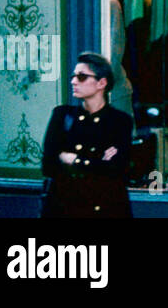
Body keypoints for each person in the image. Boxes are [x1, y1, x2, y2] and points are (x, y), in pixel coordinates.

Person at [41, 53, 134, 218]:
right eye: (74, 76)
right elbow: (48, 165)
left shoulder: (119, 122)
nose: (74, 81)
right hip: (65, 209)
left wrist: (74, 160)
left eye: (82, 77)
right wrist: (98, 162)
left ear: (102, 83)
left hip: (104, 211)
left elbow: (118, 170)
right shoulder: (62, 116)